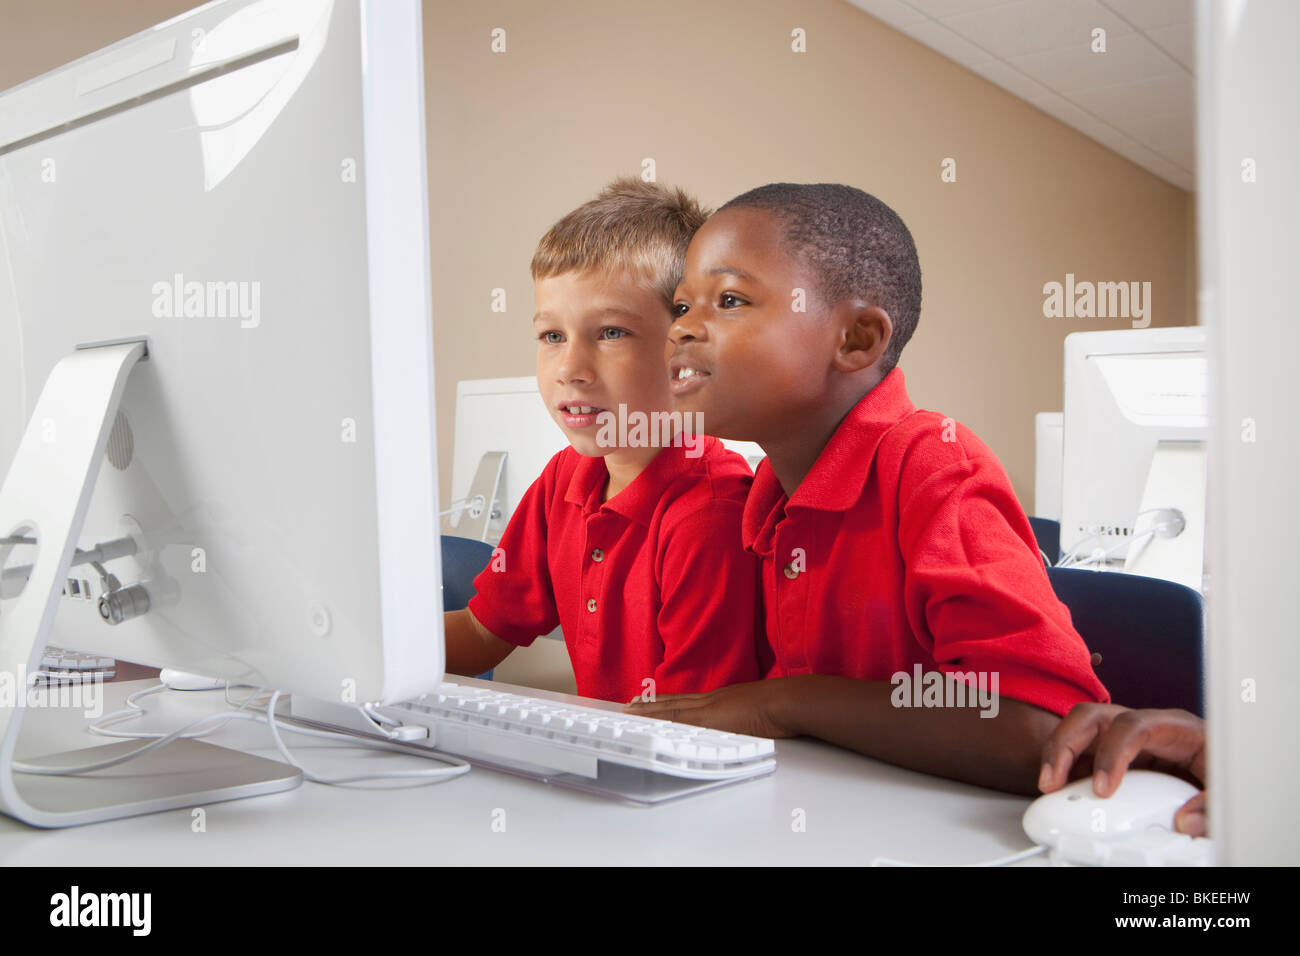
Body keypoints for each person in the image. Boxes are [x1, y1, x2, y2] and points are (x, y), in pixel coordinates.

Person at [628, 183, 1108, 793]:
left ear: (856, 340)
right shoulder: (764, 501)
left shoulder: (935, 466)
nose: (682, 331)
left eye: (728, 299)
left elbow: (1041, 729)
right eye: (680, 307)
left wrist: (786, 703)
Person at [444, 178, 762, 703]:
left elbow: (694, 721)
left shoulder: (710, 515)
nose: (570, 368)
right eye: (552, 336)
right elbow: (484, 634)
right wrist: (363, 644)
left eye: (611, 332)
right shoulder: (563, 481)